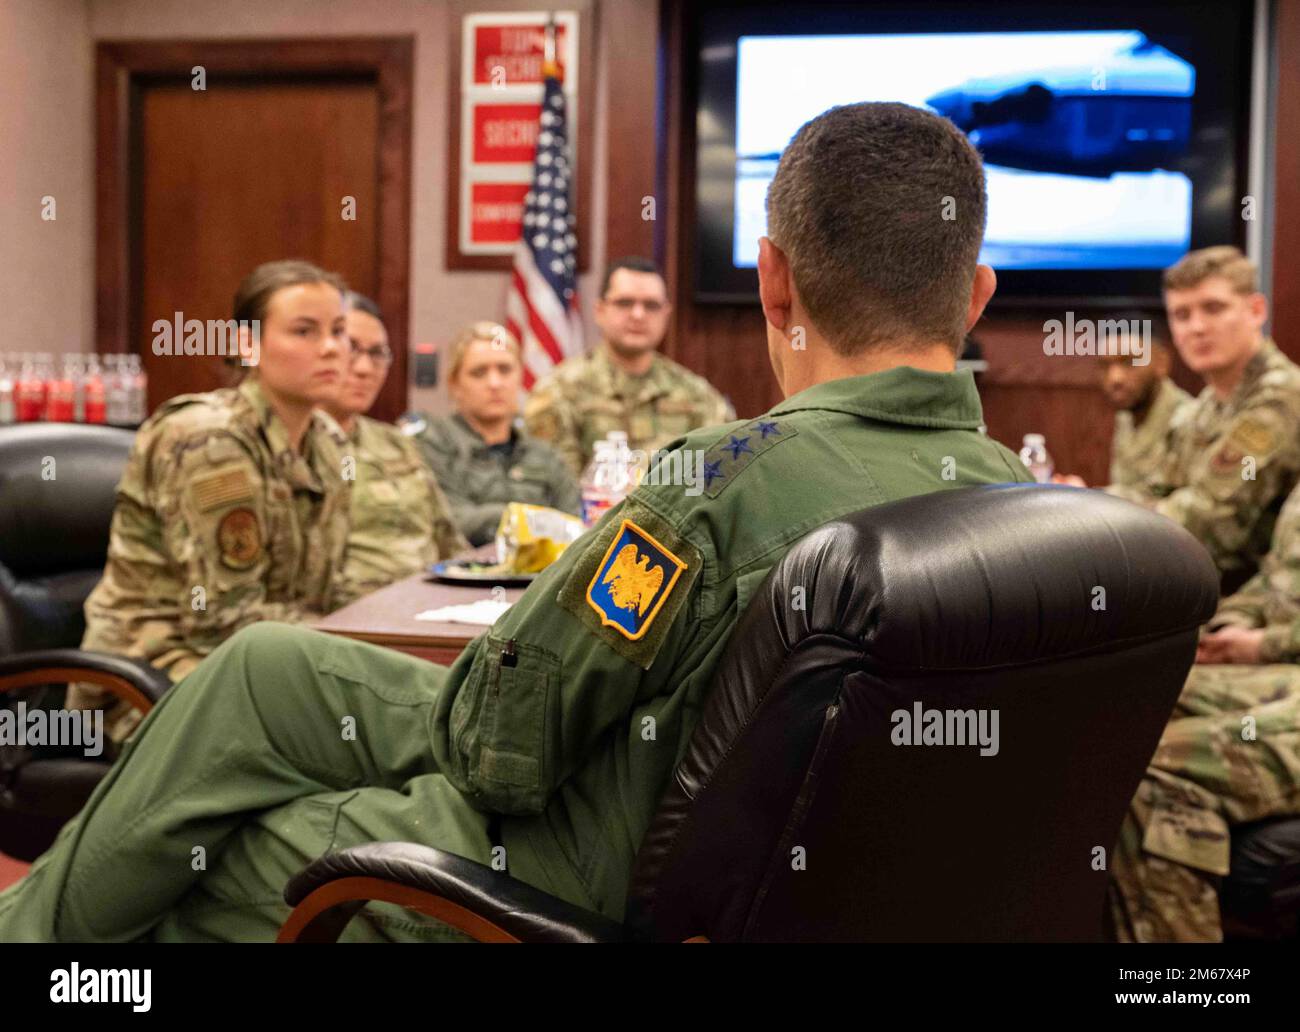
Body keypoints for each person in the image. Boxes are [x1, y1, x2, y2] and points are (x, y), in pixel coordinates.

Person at [0, 100, 1033, 943]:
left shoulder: (720, 482)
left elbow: (502, 750)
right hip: (786, 865)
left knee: (208, 847)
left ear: (772, 282)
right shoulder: (1013, 504)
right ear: (976, 294)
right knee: (266, 665)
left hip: (570, 868)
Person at [66, 260, 353, 744]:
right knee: (339, 746)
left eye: (339, 330)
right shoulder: (208, 440)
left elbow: (328, 590)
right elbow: (222, 621)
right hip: (150, 680)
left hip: (267, 666)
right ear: (247, 343)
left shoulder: (327, 441)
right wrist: (354, 646)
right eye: (304, 331)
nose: (331, 348)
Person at [1108, 477, 1300, 941]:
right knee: (1120, 700)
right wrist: (1233, 625)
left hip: (1279, 663)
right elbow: (1277, 583)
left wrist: (1264, 644)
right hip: (1278, 671)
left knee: (1153, 763)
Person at [1076, 247, 1300, 589]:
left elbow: (1210, 521)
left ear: (1256, 310)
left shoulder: (1280, 396)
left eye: (1213, 308)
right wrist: (1086, 499)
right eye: (1181, 315)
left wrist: (1095, 514)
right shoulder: (1208, 405)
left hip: (1252, 603)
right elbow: (1155, 487)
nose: (1196, 327)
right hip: (1199, 583)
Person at [523, 257, 734, 476]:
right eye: (625, 303)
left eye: (651, 305)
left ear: (666, 314)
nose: (638, 315)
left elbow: (715, 478)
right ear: (599, 310)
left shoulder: (697, 396)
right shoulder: (558, 391)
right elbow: (555, 488)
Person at [322, 293, 467, 604]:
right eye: (352, 348)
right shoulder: (297, 446)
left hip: (430, 609)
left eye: (377, 354)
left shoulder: (397, 444)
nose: (364, 368)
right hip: (352, 619)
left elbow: (451, 546)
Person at [412, 322, 579, 546]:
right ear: (455, 385)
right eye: (479, 373)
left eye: (505, 369)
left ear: (519, 377)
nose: (495, 383)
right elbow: (452, 520)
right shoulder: (432, 443)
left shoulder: (545, 455)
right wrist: (536, 520)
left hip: (539, 576)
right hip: (462, 574)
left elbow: (576, 525)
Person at [1098, 326, 1191, 492]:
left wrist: (1091, 497)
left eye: (1129, 362)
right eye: (1105, 366)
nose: (1115, 378)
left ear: (1161, 363)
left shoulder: (1188, 419)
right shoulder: (1127, 415)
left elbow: (1163, 498)